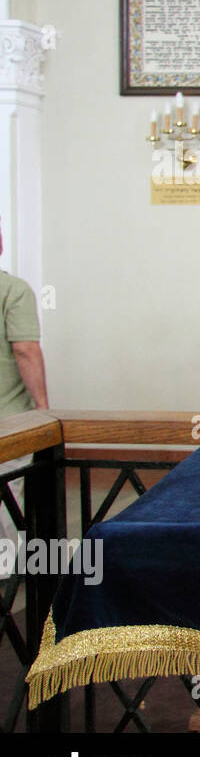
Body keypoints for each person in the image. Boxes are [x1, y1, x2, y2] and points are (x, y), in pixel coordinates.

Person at [0, 224, 47, 584]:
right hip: (8, 418)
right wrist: (44, 408)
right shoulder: (13, 290)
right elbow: (25, 350)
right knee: (6, 504)